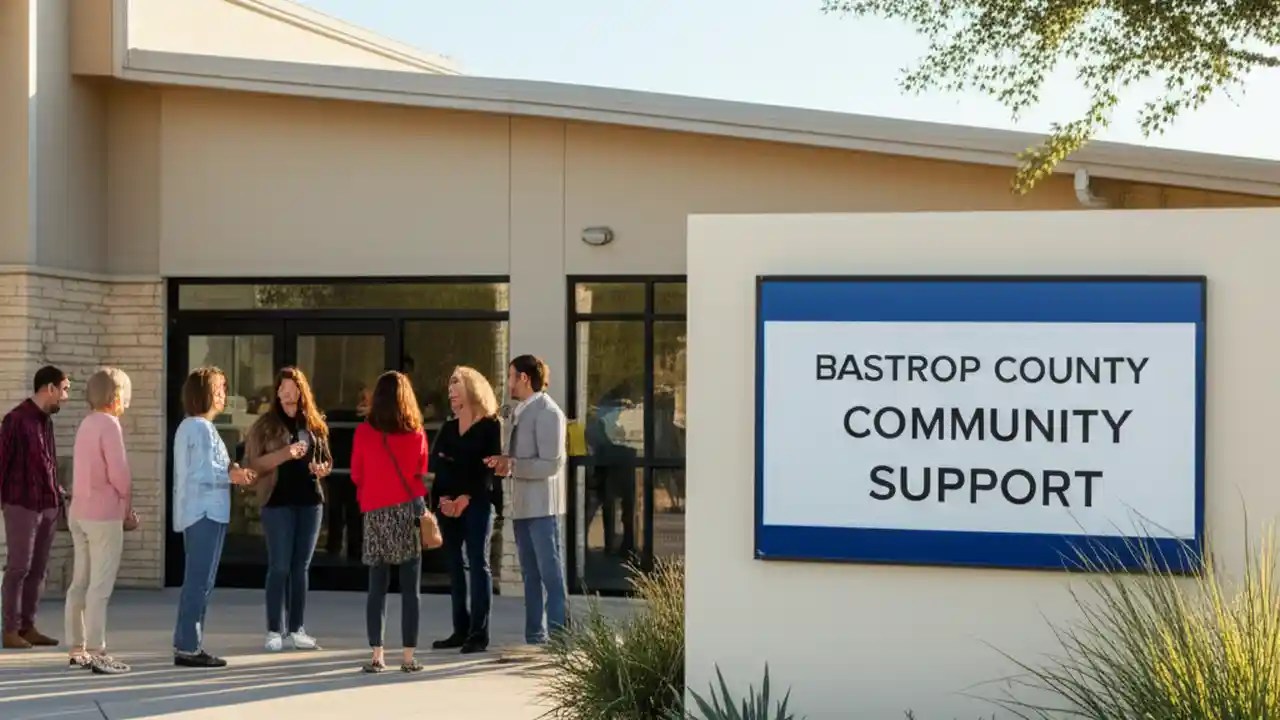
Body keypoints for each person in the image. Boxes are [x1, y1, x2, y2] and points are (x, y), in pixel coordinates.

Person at [243, 367, 333, 652]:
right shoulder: (265, 425)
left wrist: (322, 468)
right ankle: (273, 630)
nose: (286, 392)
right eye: (281, 387)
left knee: (300, 568)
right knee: (279, 566)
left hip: (310, 502)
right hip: (277, 502)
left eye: (291, 387)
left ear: (300, 390)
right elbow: (253, 464)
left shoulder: (314, 423)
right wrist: (286, 454)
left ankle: (297, 629)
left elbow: (328, 461)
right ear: (276, 392)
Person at [172, 366, 255, 668]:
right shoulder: (199, 428)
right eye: (219, 388)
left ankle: (188, 642)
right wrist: (232, 476)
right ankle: (189, 646)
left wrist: (230, 471)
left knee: (201, 580)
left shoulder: (197, 427)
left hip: (207, 512)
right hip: (203, 512)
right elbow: (202, 473)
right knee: (199, 581)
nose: (223, 394)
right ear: (204, 392)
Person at [484, 355, 568, 645]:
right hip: (522, 508)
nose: (508, 383)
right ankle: (535, 635)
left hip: (543, 509)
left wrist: (512, 464)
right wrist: (504, 461)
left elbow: (551, 464)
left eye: (510, 376)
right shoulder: (519, 411)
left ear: (523, 377)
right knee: (530, 576)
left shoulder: (548, 412)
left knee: (550, 576)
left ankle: (559, 639)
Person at [351, 370, 429, 673]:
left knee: (376, 589)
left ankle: (377, 655)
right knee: (411, 589)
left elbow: (356, 474)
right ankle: (408, 657)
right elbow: (420, 470)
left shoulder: (363, 432)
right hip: (407, 513)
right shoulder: (416, 431)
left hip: (375, 512)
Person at [65, 368, 136, 675]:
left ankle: (77, 648)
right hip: (103, 514)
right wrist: (127, 510)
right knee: (100, 586)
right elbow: (119, 475)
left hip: (78, 512)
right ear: (116, 397)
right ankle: (97, 651)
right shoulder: (110, 425)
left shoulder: (86, 423)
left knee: (80, 582)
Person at [430, 366, 502, 654]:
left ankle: (478, 633)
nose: (450, 388)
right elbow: (438, 466)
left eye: (456, 382)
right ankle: (459, 630)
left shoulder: (490, 426)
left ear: (472, 388)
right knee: (455, 567)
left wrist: (465, 498)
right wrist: (444, 500)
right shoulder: (447, 429)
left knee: (477, 563)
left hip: (477, 504)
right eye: (449, 384)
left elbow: (488, 471)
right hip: (448, 506)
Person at [1, 366, 70, 650]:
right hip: (21, 503)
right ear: (49, 388)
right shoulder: (15, 420)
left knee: (39, 569)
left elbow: (48, 464)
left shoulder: (46, 422)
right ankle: (9, 629)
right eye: (64, 389)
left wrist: (59, 492)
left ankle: (28, 626)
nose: (65, 397)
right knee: (19, 567)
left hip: (48, 504)